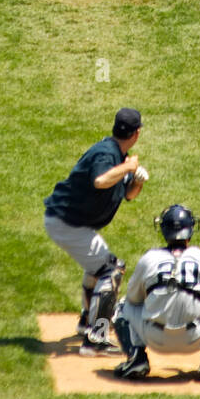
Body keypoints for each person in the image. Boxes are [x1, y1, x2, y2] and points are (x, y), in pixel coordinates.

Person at [44, 109, 148, 355]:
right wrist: (128, 168)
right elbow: (100, 181)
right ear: (137, 133)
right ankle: (95, 339)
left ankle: (86, 322)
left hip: (72, 223)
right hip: (66, 223)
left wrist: (137, 181)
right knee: (111, 270)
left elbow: (129, 195)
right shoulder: (107, 154)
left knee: (99, 267)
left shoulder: (119, 156)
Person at [112, 205, 200, 381]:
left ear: (164, 230)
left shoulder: (149, 258)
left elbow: (133, 300)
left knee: (121, 306)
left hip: (154, 338)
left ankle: (136, 358)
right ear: (190, 229)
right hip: (194, 337)